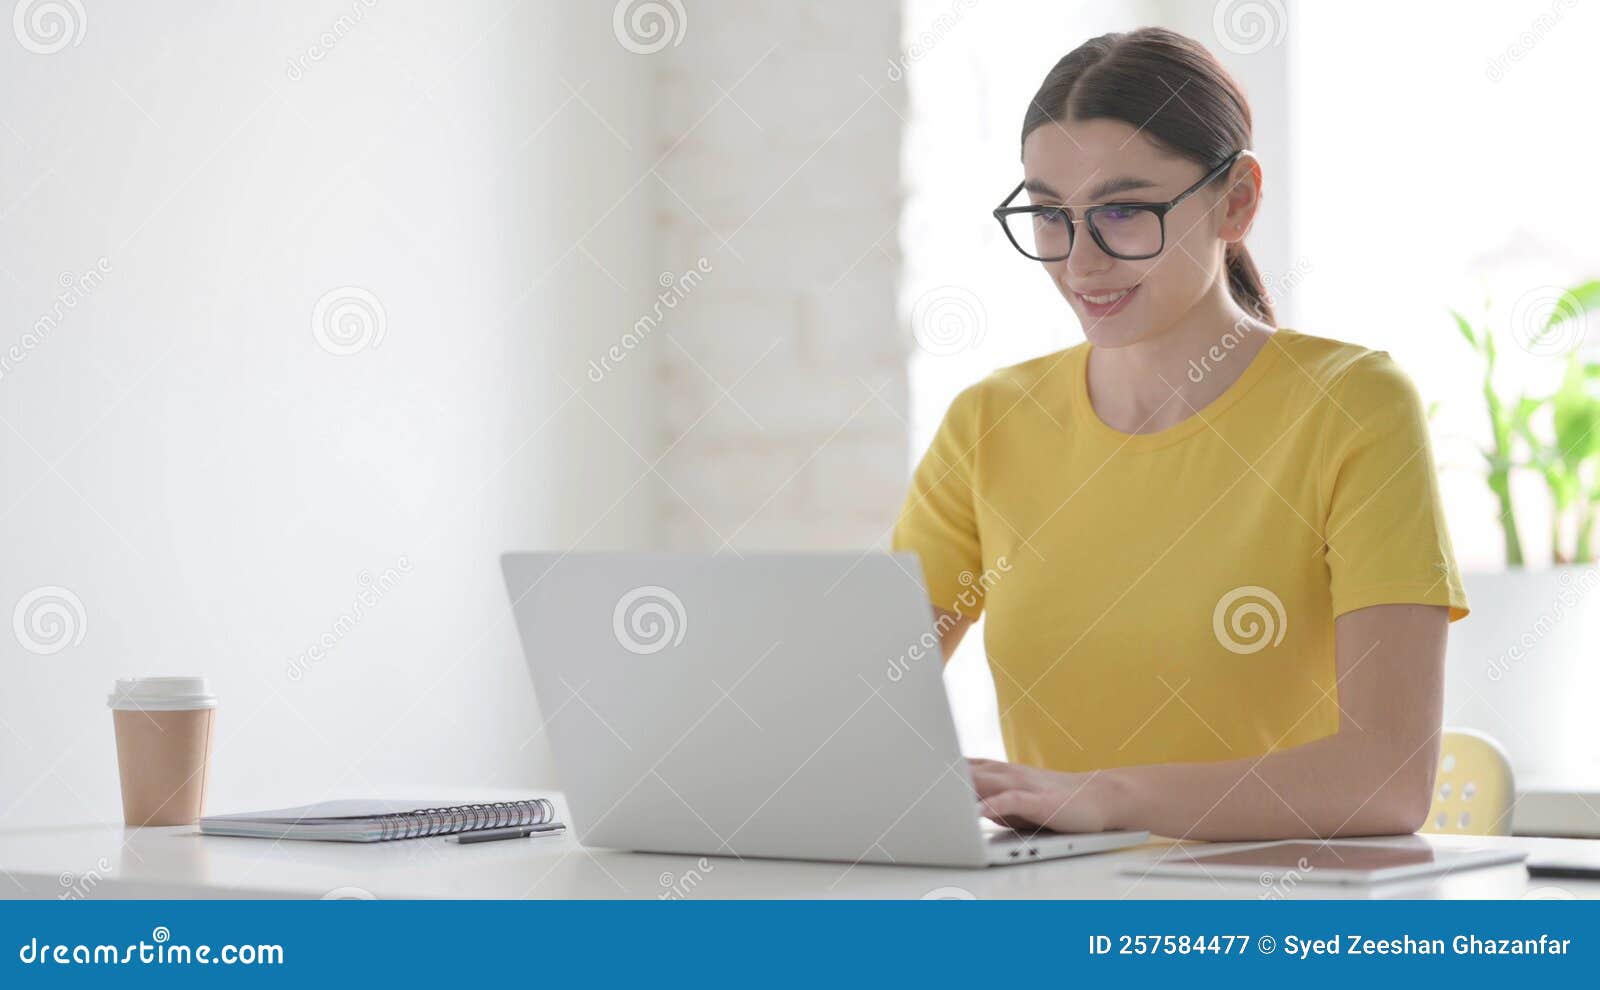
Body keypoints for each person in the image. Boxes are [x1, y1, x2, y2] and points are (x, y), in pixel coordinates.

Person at [893, 27, 1468, 840]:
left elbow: (1386, 782)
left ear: (1236, 200)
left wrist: (1108, 799)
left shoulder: (1351, 406)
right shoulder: (990, 422)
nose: (1080, 262)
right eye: (1051, 215)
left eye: (1124, 210)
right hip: (1058, 915)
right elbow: (857, 713)